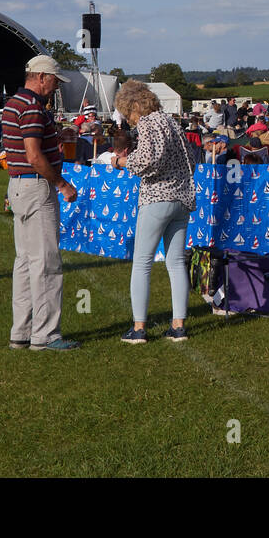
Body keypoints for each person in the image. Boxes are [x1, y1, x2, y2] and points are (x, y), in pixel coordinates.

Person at [2, 55, 79, 351]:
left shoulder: (14, 104)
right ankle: (45, 335)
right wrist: (61, 184)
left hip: (19, 186)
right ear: (42, 77)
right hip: (37, 187)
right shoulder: (33, 107)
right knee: (46, 261)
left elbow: (26, 147)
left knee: (24, 261)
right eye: (55, 81)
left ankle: (21, 332)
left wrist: (55, 136)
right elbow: (34, 156)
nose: (56, 87)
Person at [115, 80, 197, 343]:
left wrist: (121, 162)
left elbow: (148, 160)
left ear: (135, 107)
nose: (128, 120)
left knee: (142, 262)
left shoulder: (148, 124)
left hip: (157, 199)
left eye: (128, 114)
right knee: (175, 263)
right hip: (182, 198)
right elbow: (191, 160)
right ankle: (178, 325)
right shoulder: (173, 122)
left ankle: (139, 328)